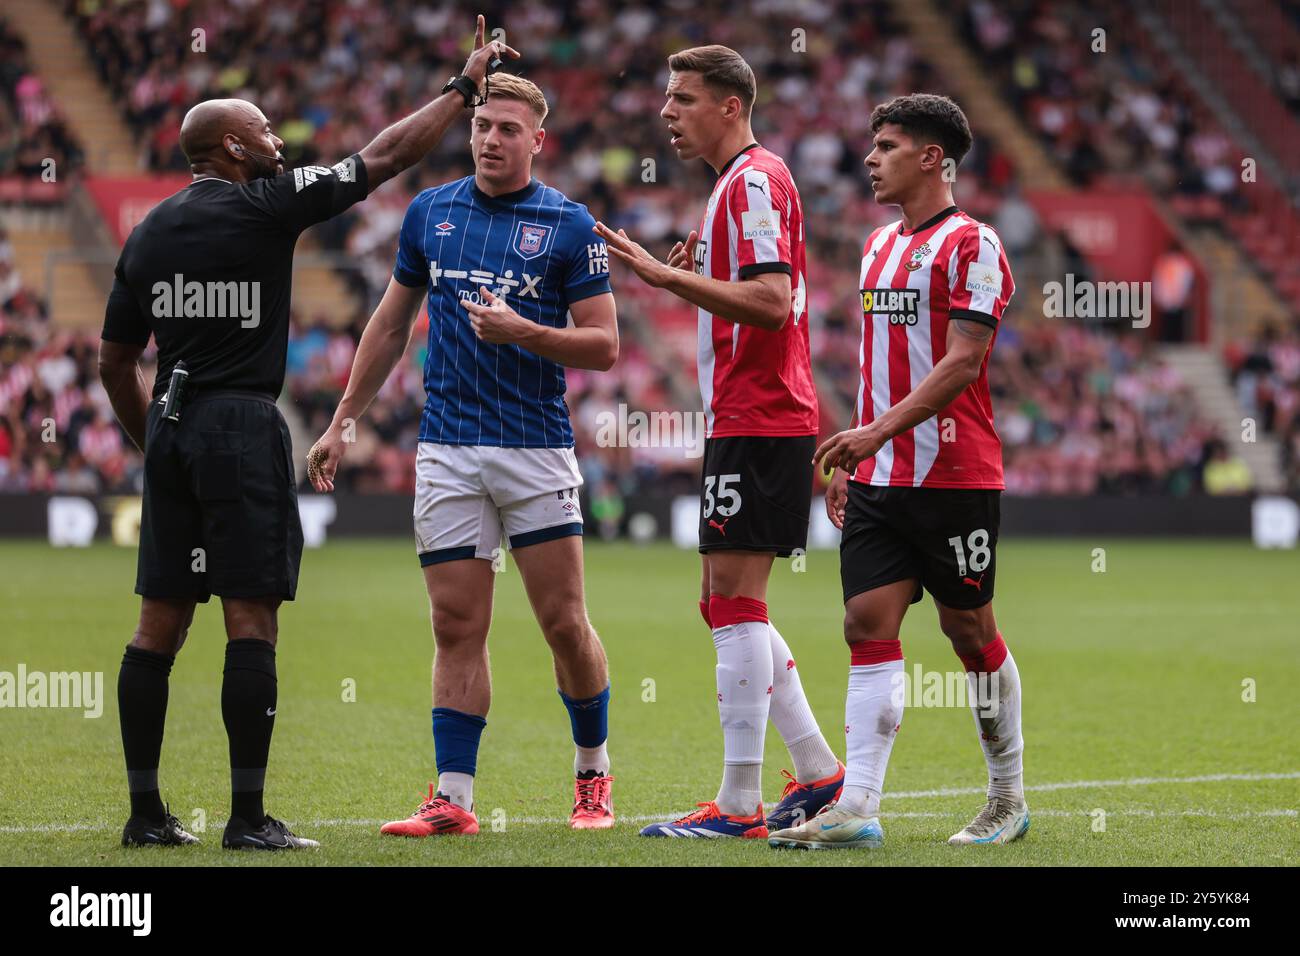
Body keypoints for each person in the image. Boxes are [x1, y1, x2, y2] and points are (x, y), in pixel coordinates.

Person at [97, 15, 516, 851]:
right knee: (251, 621)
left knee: (158, 627)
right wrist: (463, 87)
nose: (277, 143)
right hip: (243, 427)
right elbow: (387, 157)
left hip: (174, 426)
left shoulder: (146, 232)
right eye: (260, 131)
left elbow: (115, 365)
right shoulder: (264, 207)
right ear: (228, 150)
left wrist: (158, 451)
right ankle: (247, 820)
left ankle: (146, 815)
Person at [306, 73, 620, 836]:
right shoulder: (430, 211)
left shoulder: (569, 225)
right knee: (454, 624)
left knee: (563, 623)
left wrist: (527, 333)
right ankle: (453, 797)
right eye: (482, 125)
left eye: (509, 128)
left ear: (537, 141)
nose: (489, 139)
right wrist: (343, 419)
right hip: (446, 449)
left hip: (535, 449)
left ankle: (593, 776)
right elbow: (387, 325)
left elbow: (605, 345)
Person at [594, 45, 842, 839]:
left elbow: (771, 304)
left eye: (684, 98)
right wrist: (704, 269)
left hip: (763, 414)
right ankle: (819, 773)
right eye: (668, 98)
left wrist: (669, 282)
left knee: (735, 601)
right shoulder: (735, 187)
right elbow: (764, 287)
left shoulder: (756, 181)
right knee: (720, 601)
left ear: (730, 106)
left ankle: (739, 806)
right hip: (744, 415)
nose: (666, 111)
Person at [767, 94, 1026, 850]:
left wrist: (875, 431)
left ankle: (1007, 798)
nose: (871, 159)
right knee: (864, 624)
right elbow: (877, 364)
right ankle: (858, 806)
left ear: (931, 158)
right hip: (880, 480)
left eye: (885, 146)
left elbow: (964, 360)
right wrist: (858, 452)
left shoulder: (974, 246)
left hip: (956, 479)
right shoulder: (877, 247)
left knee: (969, 631)